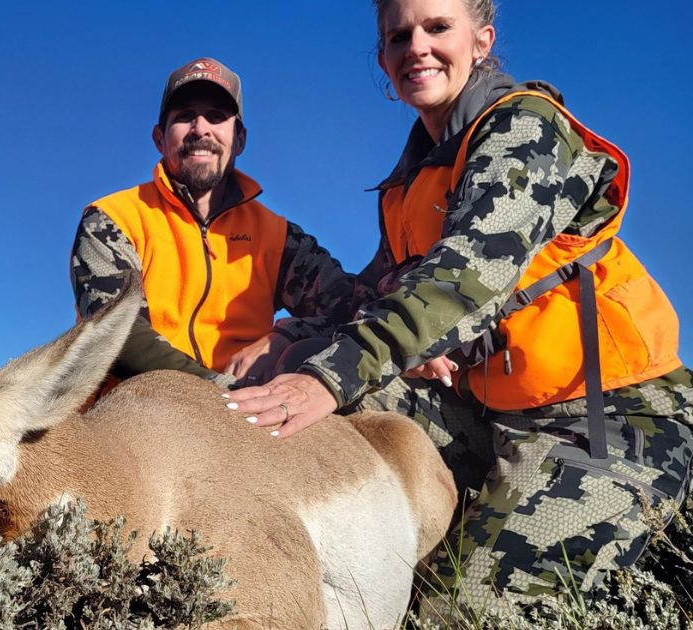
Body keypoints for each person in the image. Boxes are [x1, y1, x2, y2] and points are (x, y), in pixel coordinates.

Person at [228, 0, 693, 618]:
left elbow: (466, 280)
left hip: (606, 417)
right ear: (385, 60)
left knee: (463, 614)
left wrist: (326, 375)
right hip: (489, 413)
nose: (415, 47)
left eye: (437, 27)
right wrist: (290, 338)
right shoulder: (410, 183)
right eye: (398, 37)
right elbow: (375, 297)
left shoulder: (524, 128)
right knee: (304, 365)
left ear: (481, 41)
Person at [71, 58, 357, 389]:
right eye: (184, 117)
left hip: (248, 418)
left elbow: (349, 309)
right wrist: (223, 394)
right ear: (159, 138)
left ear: (239, 139)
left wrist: (285, 333)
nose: (200, 129)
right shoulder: (112, 219)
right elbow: (118, 333)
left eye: (217, 117)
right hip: (137, 413)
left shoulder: (277, 237)